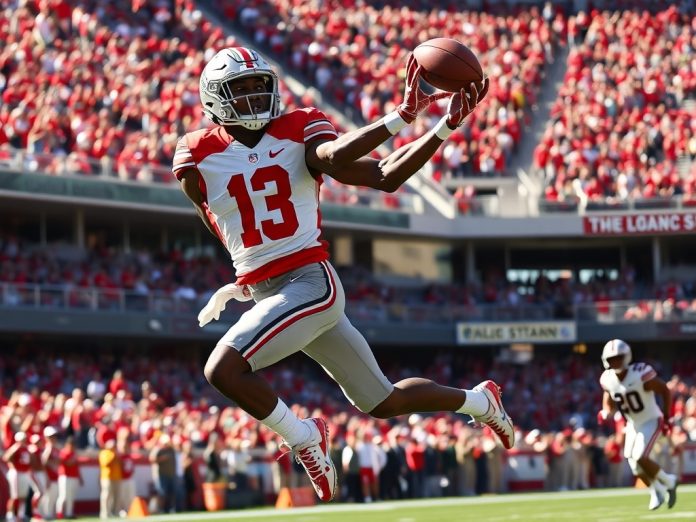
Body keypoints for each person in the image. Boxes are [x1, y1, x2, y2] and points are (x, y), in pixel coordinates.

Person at [173, 46, 513, 502]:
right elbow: (219, 220)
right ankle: (479, 401)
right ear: (215, 97)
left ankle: (302, 436)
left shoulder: (298, 128)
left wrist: (431, 123)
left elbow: (373, 171)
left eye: (260, 86)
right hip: (269, 290)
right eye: (242, 88)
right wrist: (245, 275)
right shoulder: (196, 153)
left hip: (310, 283)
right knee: (383, 401)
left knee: (224, 368)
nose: (255, 97)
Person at [597, 339, 678, 510]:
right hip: (633, 423)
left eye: (619, 357)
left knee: (641, 457)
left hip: (651, 419)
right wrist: (605, 411)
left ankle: (669, 481)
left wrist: (668, 417)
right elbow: (609, 397)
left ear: (627, 357)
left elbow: (664, 390)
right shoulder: (607, 378)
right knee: (635, 468)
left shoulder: (640, 373)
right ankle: (657, 489)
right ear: (606, 360)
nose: (616, 362)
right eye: (612, 359)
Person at [3, 432, 31, 522]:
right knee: (14, 496)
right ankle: (10, 516)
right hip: (16, 473)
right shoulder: (16, 448)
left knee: (23, 496)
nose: (24, 441)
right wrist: (16, 447)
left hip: (25, 473)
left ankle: (20, 515)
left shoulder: (26, 449)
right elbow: (6, 458)